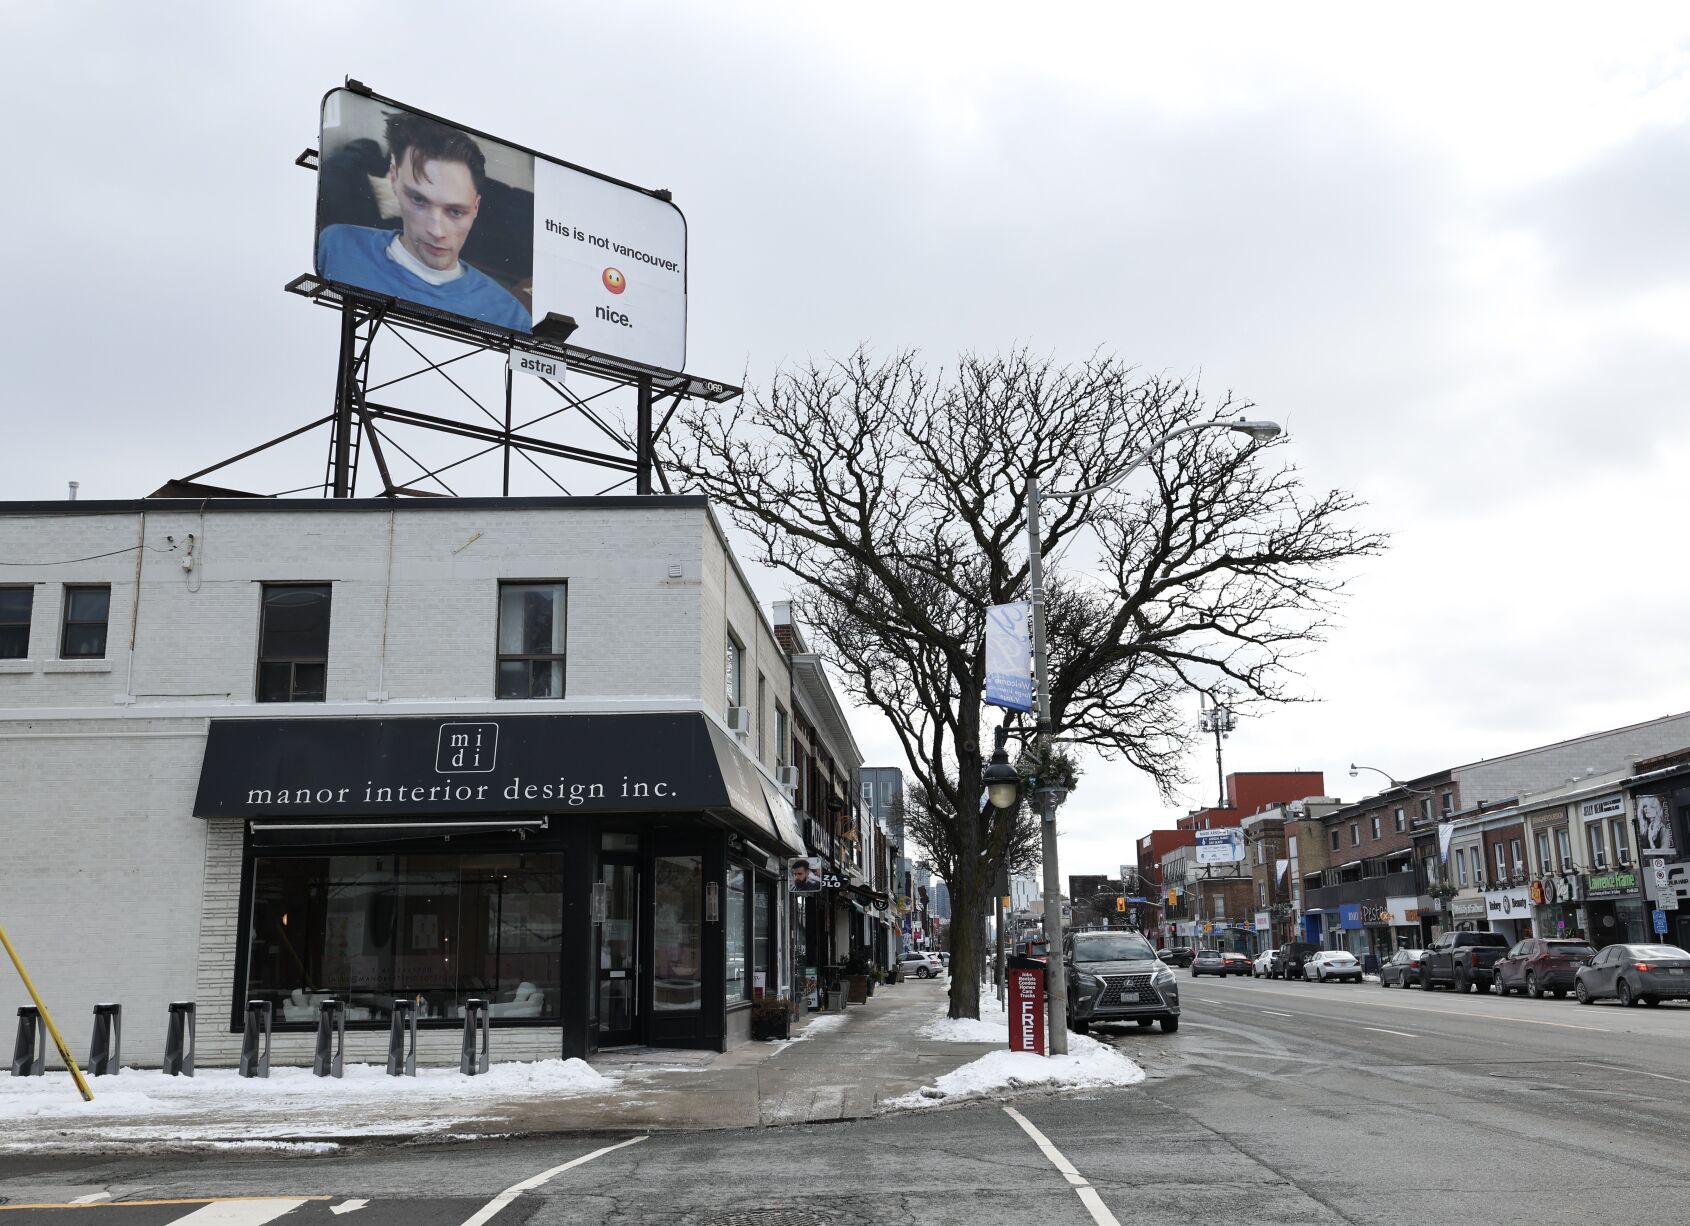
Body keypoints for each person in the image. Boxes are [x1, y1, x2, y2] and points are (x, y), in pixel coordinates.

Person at [318, 111, 531, 332]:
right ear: (393, 180)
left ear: (475, 207)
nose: (436, 230)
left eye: (456, 211)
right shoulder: (337, 243)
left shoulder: (511, 315)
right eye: (418, 200)